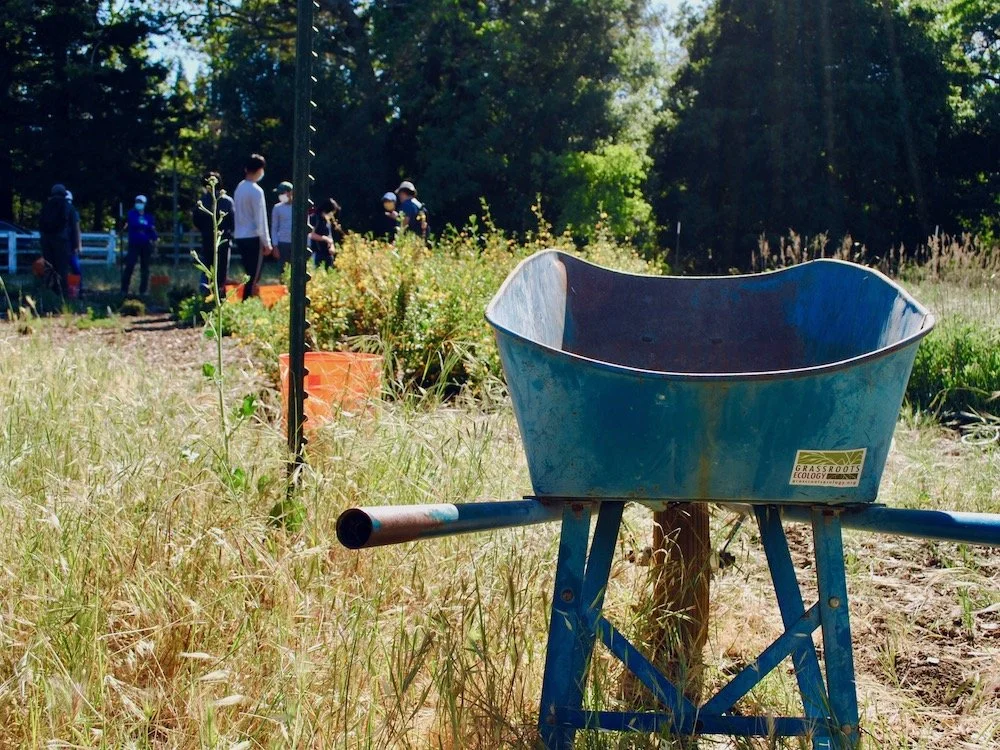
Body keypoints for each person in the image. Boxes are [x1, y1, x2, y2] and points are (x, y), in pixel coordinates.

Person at [232, 153, 272, 300]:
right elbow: (260, 219)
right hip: (253, 236)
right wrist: (267, 243)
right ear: (259, 169)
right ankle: (247, 302)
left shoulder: (239, 188)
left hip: (240, 236)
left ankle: (247, 302)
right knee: (254, 276)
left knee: (248, 273)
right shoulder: (256, 190)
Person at [192, 172, 235, 297]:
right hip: (224, 240)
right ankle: (218, 296)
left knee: (207, 268)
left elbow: (196, 221)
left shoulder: (202, 201)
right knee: (221, 271)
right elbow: (232, 221)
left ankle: (206, 294)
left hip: (207, 239)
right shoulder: (227, 201)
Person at [38, 183, 77, 294]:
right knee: (62, 268)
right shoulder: (68, 206)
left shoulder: (46, 205)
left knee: (49, 267)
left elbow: (41, 224)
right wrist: (74, 246)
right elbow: (74, 228)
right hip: (62, 241)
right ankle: (62, 293)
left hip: (46, 241)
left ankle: (49, 292)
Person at [122, 194, 158, 296]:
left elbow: (151, 230)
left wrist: (154, 239)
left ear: (145, 204)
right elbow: (134, 224)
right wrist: (144, 227)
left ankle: (143, 290)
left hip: (145, 245)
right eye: (137, 202)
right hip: (134, 244)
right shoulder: (131, 214)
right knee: (130, 265)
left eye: (141, 202)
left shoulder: (148, 217)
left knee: (145, 268)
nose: (139, 204)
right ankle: (124, 289)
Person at [308, 197, 345, 269]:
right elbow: (310, 234)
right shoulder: (315, 218)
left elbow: (329, 236)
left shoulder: (327, 221)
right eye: (331, 213)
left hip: (327, 254)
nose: (332, 215)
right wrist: (325, 239)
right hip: (317, 253)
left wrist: (332, 246)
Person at [270, 181, 293, 267]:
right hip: (283, 243)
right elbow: (274, 227)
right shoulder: (277, 208)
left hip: (296, 243)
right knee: (283, 270)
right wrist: (275, 246)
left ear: (290, 192)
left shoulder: (299, 206)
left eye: (282, 193)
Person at [65, 190, 83, 295]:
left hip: (71, 246)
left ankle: (78, 289)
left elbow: (77, 230)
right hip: (63, 246)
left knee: (76, 268)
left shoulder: (74, 213)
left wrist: (78, 244)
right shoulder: (57, 213)